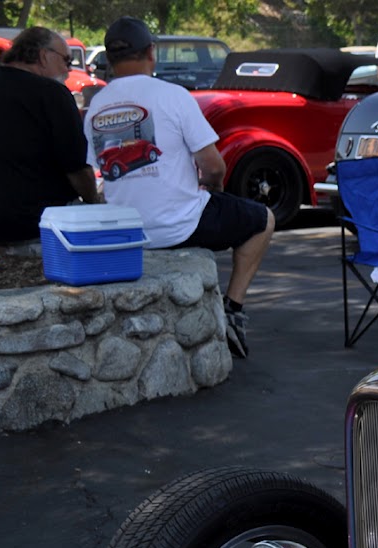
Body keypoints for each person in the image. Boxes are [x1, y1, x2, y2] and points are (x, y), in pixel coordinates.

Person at [84, 16, 273, 359]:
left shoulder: (96, 105)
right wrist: (212, 187)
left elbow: (95, 170)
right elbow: (214, 165)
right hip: (179, 228)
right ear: (151, 52)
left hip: (125, 232)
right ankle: (233, 307)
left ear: (109, 60)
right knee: (263, 219)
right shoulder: (174, 95)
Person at [0, 26, 101, 245]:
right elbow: (77, 169)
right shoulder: (52, 94)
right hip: (36, 226)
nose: (68, 71)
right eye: (66, 61)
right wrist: (95, 201)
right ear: (44, 56)